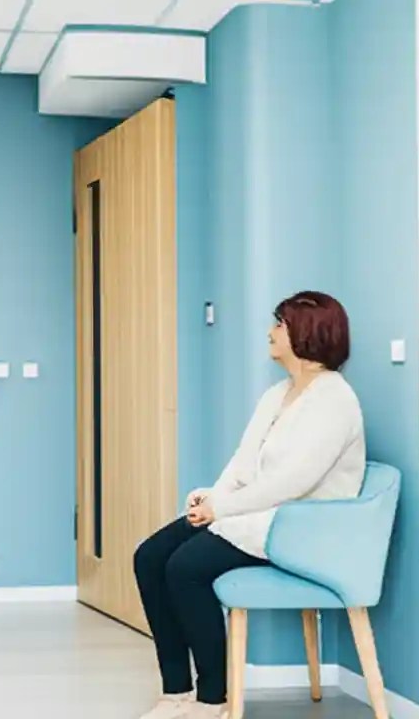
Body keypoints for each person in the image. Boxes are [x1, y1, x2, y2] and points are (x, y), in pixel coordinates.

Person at [133, 290, 366, 719]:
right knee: (149, 557)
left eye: (279, 323)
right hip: (256, 515)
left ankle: (212, 698)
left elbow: (294, 481)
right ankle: (176, 692)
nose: (271, 332)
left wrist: (222, 511)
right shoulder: (280, 393)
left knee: (184, 569)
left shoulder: (336, 400)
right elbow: (244, 462)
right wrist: (214, 496)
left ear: (306, 333)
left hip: (297, 527)